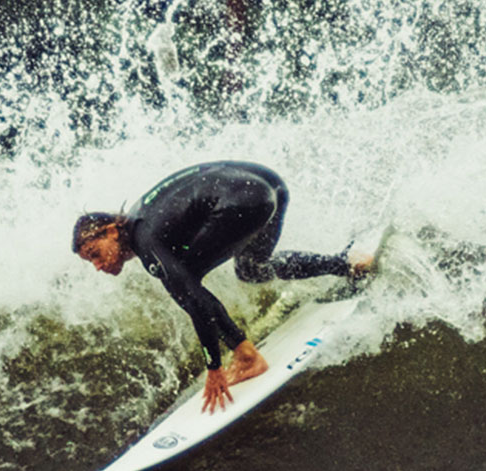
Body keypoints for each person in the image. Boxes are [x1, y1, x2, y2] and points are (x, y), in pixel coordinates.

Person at [72, 161, 371, 414]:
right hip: (270, 185)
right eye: (91, 262)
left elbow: (195, 300)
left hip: (245, 202)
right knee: (252, 269)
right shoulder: (142, 220)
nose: (98, 266)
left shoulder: (146, 242)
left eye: (95, 254)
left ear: (111, 231)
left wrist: (213, 365)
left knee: (182, 285)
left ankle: (247, 357)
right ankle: (345, 263)